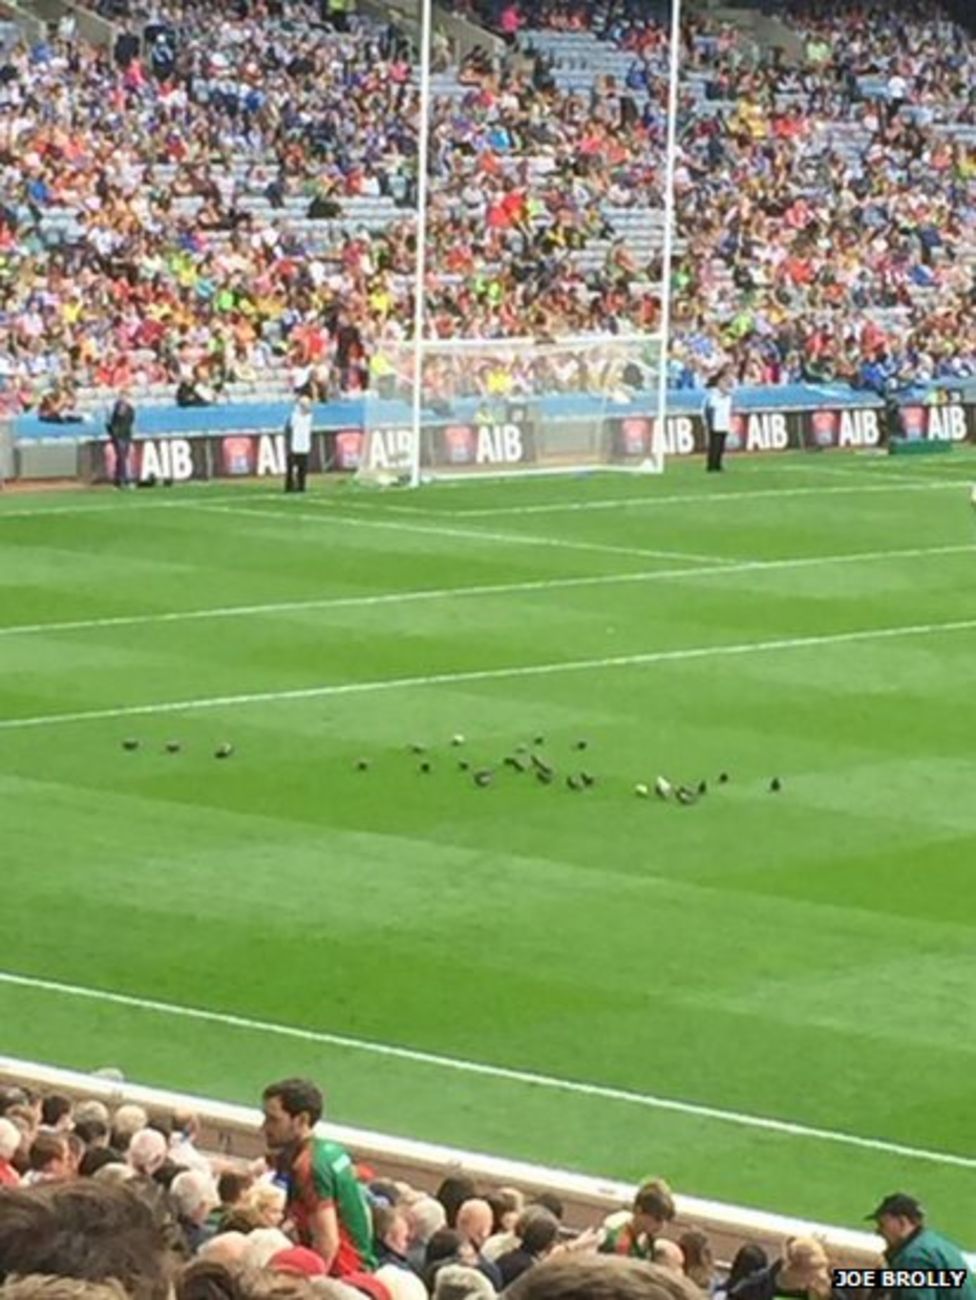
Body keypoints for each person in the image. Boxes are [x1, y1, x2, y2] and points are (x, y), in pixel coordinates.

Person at [260, 1077, 376, 1276]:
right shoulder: (331, 1152)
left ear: (301, 1120)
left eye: (273, 1119)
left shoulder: (308, 1166)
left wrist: (310, 1286)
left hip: (341, 1274)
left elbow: (327, 1242)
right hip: (359, 1267)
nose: (264, 1128)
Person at [868, 1193, 976, 1300]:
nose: (878, 1231)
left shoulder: (914, 1258)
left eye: (882, 1225)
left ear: (902, 1223)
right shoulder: (931, 1242)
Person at [702, 372, 733, 473]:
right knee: (714, 445)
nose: (725, 385)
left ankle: (718, 464)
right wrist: (708, 423)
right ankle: (711, 465)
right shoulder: (713, 395)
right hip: (715, 424)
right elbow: (708, 410)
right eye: (723, 382)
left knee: (721, 446)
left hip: (724, 423)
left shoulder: (728, 396)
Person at [284, 395, 314, 494]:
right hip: (294, 446)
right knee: (291, 468)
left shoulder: (309, 416)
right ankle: (289, 486)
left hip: (304, 446)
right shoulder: (294, 416)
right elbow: (289, 429)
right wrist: (288, 444)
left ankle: (301, 486)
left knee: (303, 468)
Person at [106, 393, 136, 488]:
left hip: (125, 435)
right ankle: (122, 479)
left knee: (123, 457)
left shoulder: (130, 409)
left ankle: (121, 479)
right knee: (122, 457)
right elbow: (110, 422)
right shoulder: (117, 408)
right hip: (119, 435)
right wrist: (113, 433)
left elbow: (131, 421)